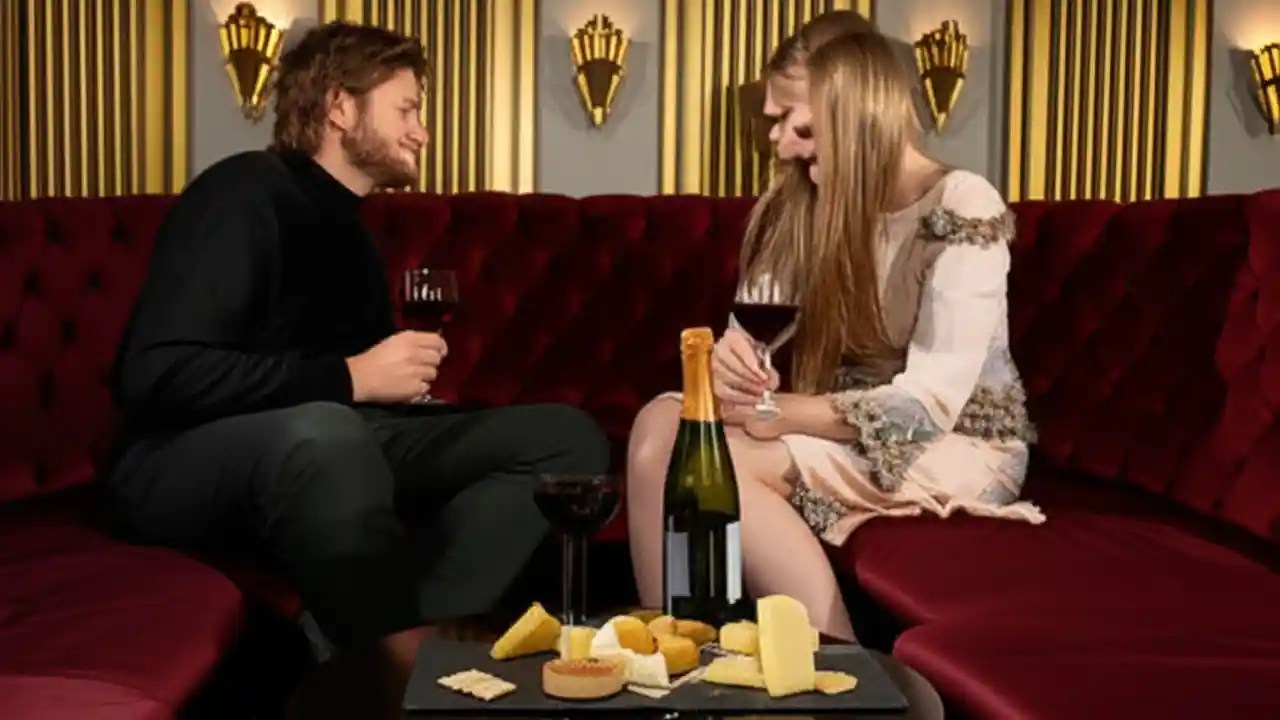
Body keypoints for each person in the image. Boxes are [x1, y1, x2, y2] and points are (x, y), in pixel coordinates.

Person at [103, 21, 610, 718]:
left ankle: (385, 644)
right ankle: (400, 682)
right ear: (340, 107)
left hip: (331, 437)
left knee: (565, 439)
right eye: (407, 109)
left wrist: (400, 393)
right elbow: (158, 376)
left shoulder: (352, 228)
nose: (422, 132)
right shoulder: (243, 193)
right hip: (176, 464)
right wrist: (351, 378)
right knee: (324, 432)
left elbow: (356, 394)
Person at [626, 21, 1044, 642]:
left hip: (954, 445)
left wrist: (780, 412)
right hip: (843, 427)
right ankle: (664, 645)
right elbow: (750, 330)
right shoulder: (810, 202)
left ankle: (846, 668)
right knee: (659, 426)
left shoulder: (961, 203)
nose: (780, 144)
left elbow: (927, 406)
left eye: (796, 123)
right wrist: (728, 366)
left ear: (852, 109)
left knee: (723, 462)